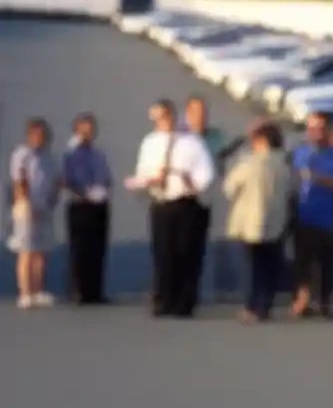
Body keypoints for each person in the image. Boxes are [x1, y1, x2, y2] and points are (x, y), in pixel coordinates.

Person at [127, 99, 216, 318]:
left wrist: (193, 183)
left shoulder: (192, 142)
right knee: (163, 253)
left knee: (185, 252)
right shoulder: (150, 142)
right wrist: (146, 180)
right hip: (161, 202)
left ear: (173, 116)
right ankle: (164, 299)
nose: (161, 122)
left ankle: (184, 302)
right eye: (156, 118)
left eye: (164, 117)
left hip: (185, 202)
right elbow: (141, 172)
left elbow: (206, 173)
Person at [222, 119, 291, 324]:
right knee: (270, 266)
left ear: (261, 140)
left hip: (250, 222)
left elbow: (229, 188)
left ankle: (252, 306)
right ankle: (265, 305)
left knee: (251, 267)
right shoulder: (284, 164)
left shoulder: (250, 163)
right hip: (276, 222)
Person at [289, 111, 333, 319]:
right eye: (311, 129)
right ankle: (302, 297)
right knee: (302, 260)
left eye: (320, 129)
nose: (315, 133)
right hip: (302, 214)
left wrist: (319, 178)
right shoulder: (300, 153)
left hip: (326, 216)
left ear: (329, 131)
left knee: (325, 261)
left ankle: (324, 300)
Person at [8, 118, 61, 309]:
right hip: (26, 207)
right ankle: (24, 293)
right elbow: (19, 179)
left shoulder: (50, 157)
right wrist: (26, 203)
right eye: (35, 134)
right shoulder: (21, 154)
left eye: (42, 134)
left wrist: (51, 201)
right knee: (26, 251)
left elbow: (56, 181)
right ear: (29, 135)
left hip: (45, 207)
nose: (39, 137)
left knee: (41, 251)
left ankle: (38, 291)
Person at [61, 113, 114, 305]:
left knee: (98, 248)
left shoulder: (98, 153)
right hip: (80, 204)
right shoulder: (71, 153)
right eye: (84, 129)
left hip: (99, 205)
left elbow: (106, 176)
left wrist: (104, 188)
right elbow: (67, 180)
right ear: (76, 130)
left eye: (91, 129)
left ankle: (95, 291)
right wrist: (84, 193)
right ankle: (79, 291)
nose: (88, 133)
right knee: (80, 249)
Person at [183, 96, 227, 301]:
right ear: (187, 114)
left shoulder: (215, 136)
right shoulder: (179, 136)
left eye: (204, 113)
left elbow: (219, 165)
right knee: (176, 248)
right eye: (196, 113)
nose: (201, 117)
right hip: (181, 198)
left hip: (204, 198)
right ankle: (170, 291)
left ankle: (191, 292)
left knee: (197, 246)